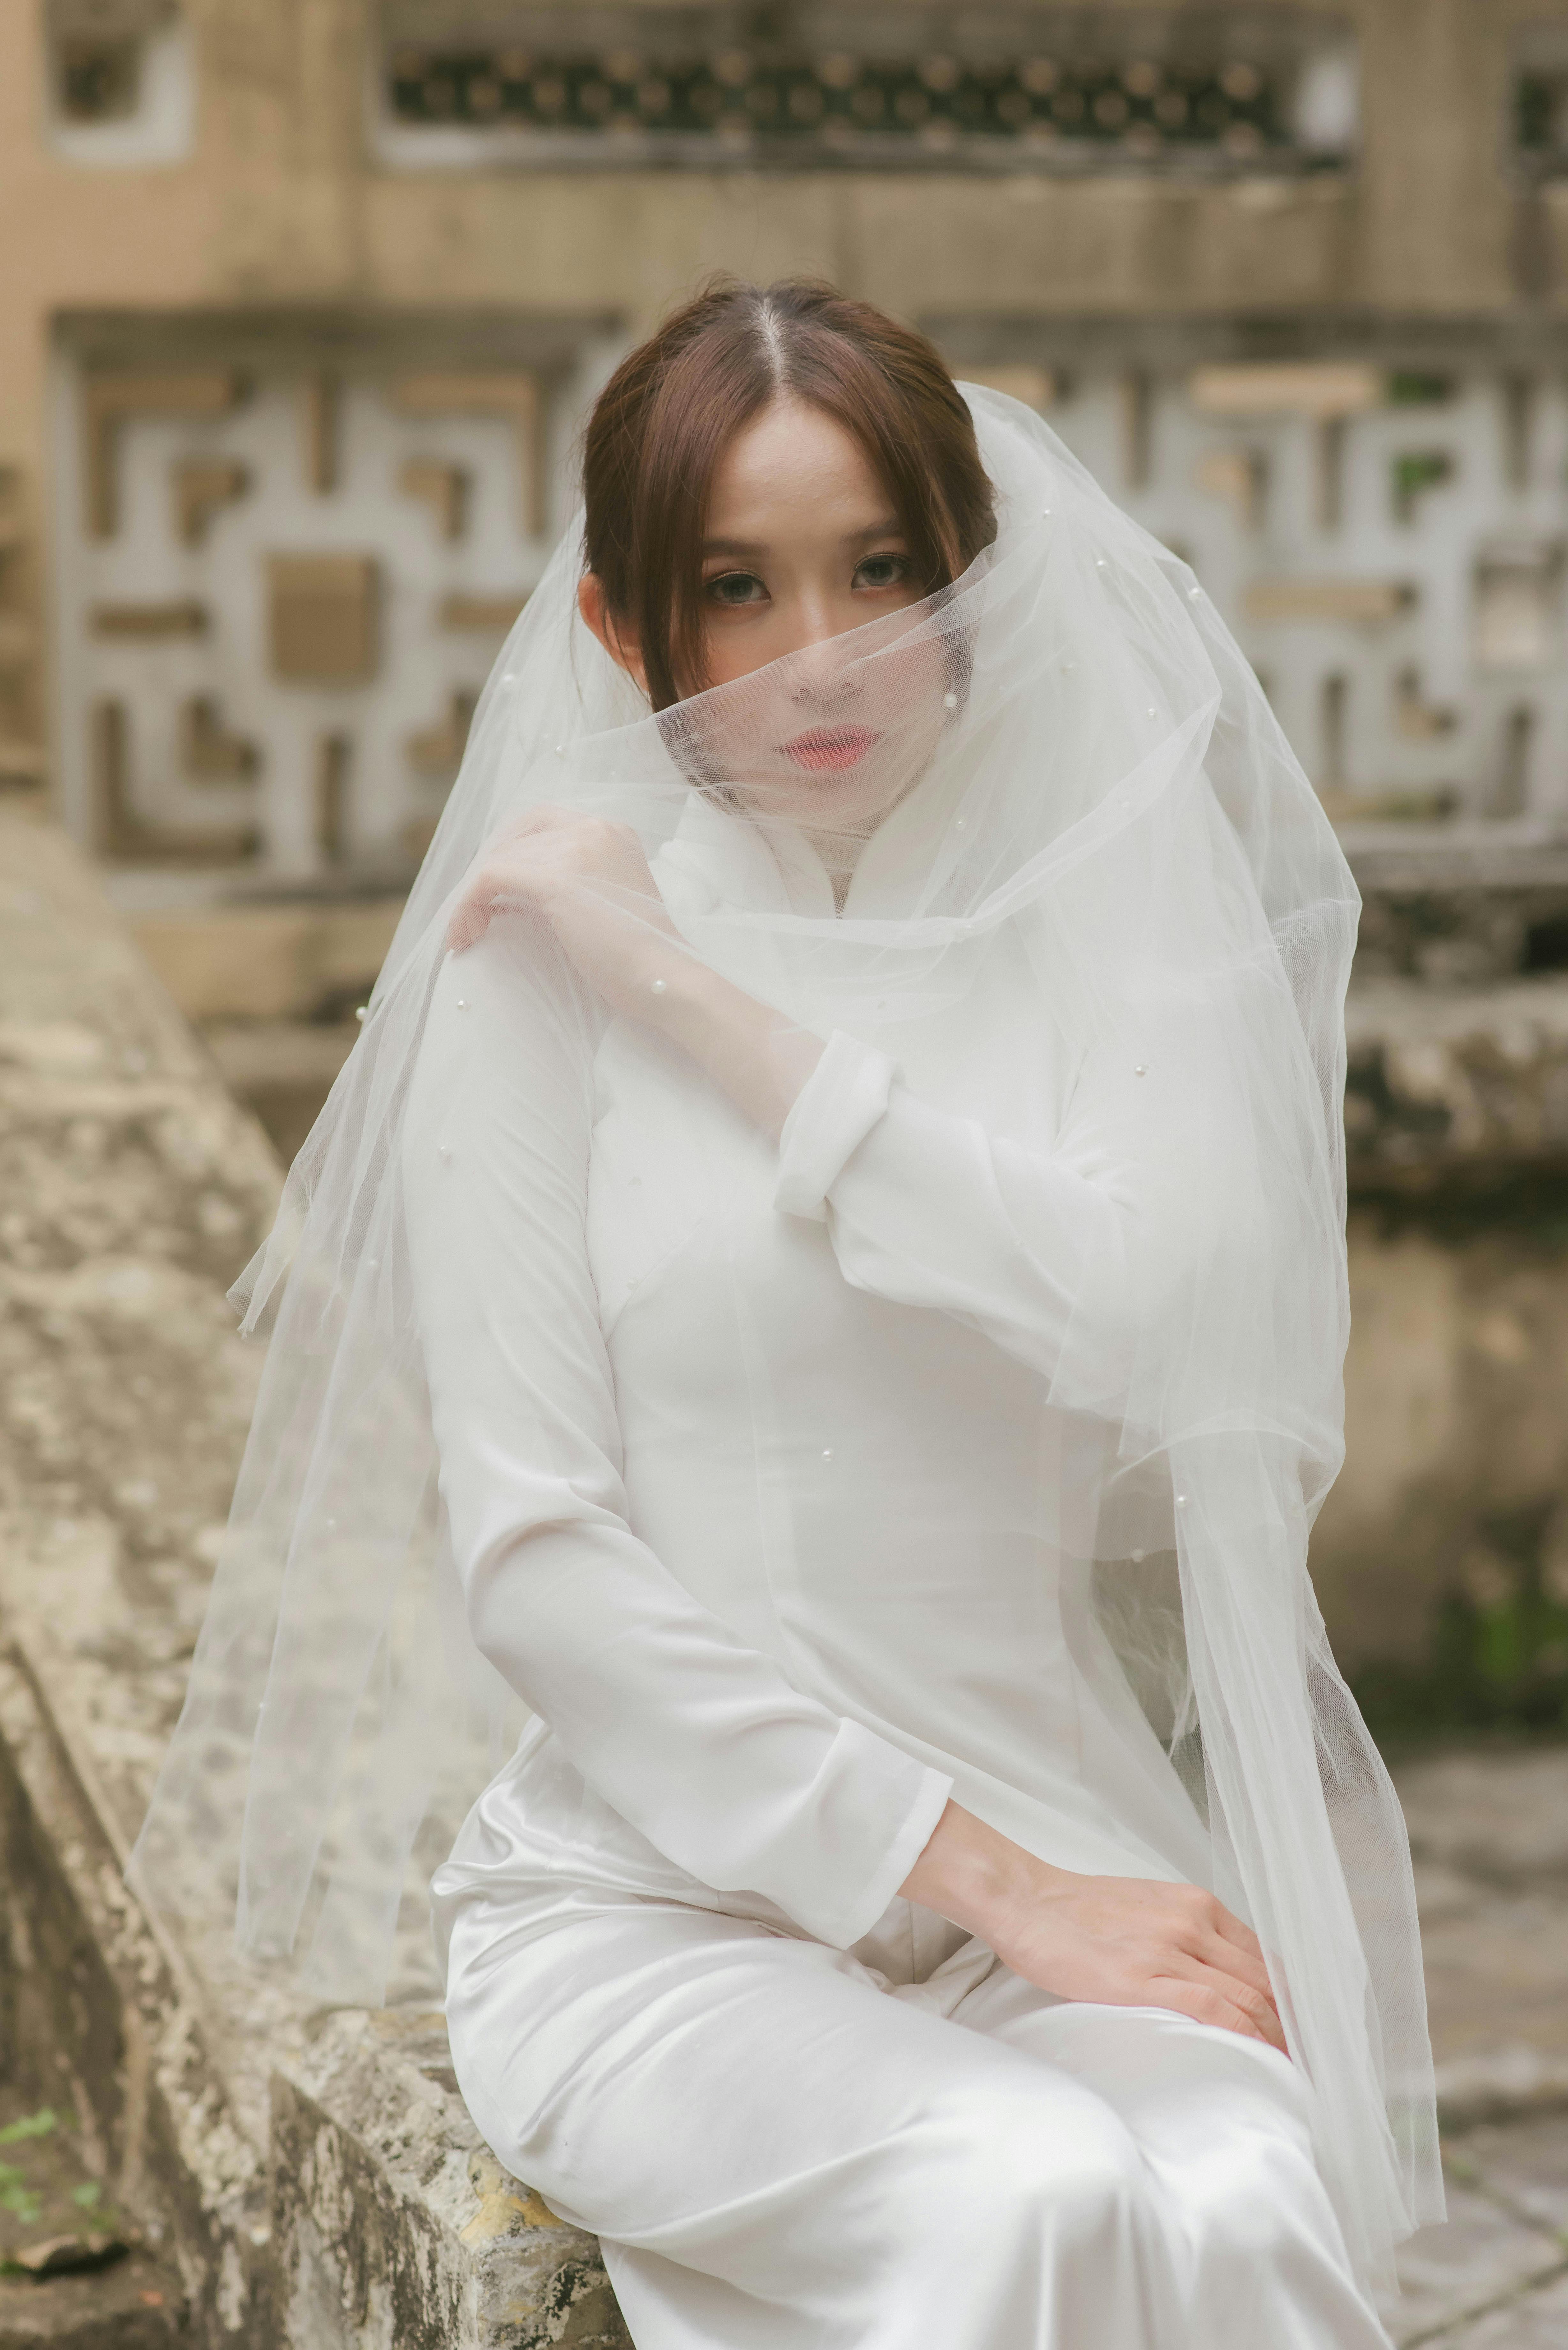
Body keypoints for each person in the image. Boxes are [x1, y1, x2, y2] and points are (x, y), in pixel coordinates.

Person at [132, 281, 1441, 2346]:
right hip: (664, 1920)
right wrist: (990, 1876)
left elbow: (1141, 1327)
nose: (819, 657)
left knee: (1248, 2204)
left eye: (881, 569)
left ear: (972, 588)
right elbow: (542, 1564)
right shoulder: (521, 972)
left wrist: (704, 1005)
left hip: (1067, 1887)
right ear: (624, 633)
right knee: (1022, 2197)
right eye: (735, 589)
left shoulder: (1112, 947)